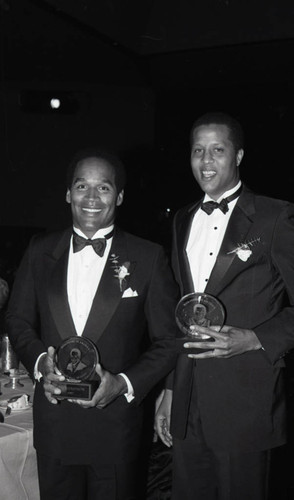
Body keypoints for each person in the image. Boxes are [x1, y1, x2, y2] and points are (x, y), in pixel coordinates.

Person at [6, 148, 179, 500]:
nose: (91, 197)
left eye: (103, 188)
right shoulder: (40, 250)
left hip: (115, 427)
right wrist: (41, 364)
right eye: (82, 186)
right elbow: (18, 320)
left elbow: (169, 340)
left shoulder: (148, 256)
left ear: (119, 195)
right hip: (55, 424)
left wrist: (124, 383)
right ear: (68, 193)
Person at [155, 112, 294, 500]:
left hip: (245, 400)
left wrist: (255, 339)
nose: (206, 161)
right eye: (198, 150)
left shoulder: (275, 216)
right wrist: (169, 390)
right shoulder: (182, 219)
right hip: (187, 397)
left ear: (239, 156)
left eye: (218, 150)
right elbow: (177, 315)